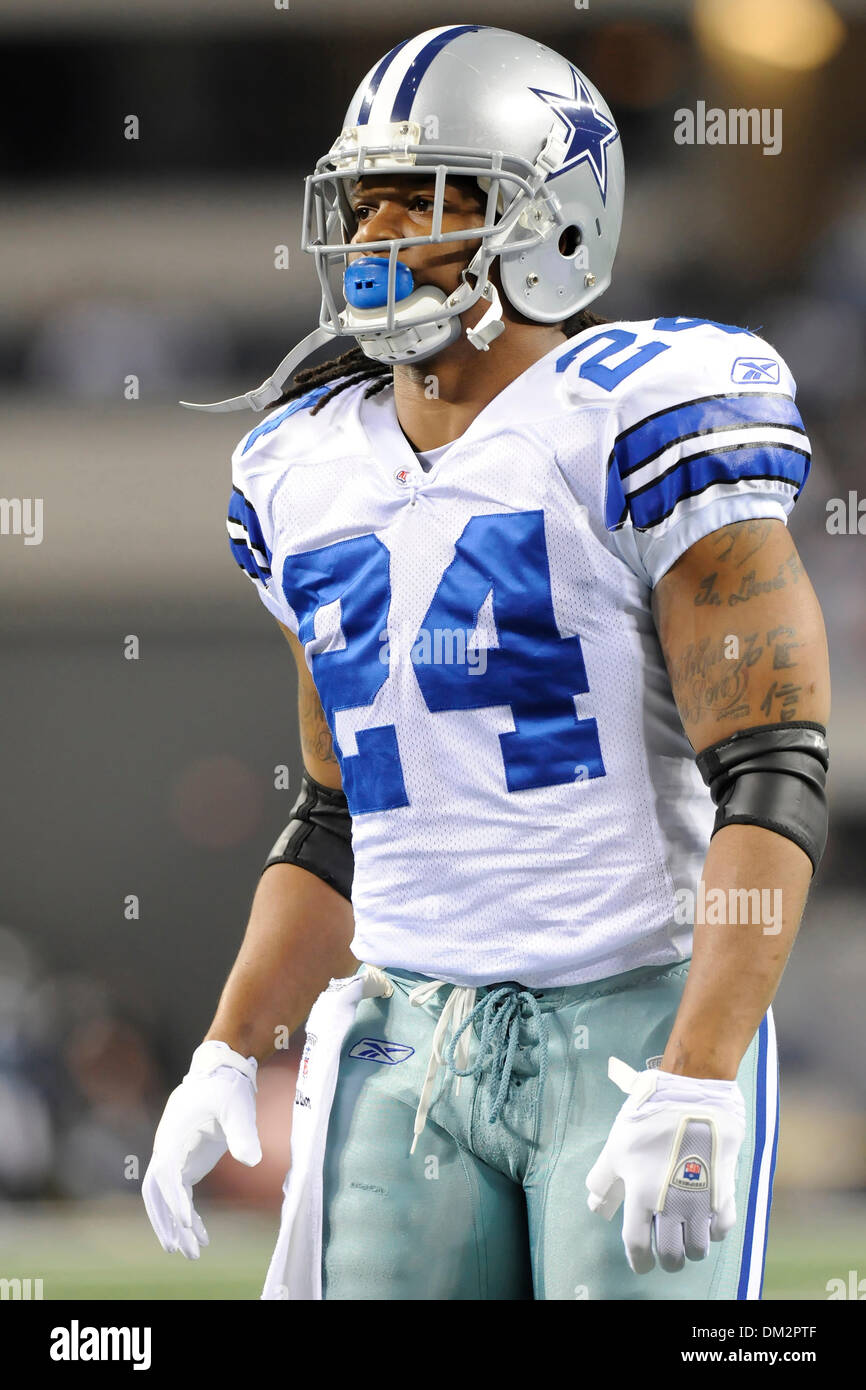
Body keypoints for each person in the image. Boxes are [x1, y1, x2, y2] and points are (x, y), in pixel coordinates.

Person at [143, 25, 830, 1300]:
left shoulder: (637, 412)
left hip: (629, 1020)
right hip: (404, 1043)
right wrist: (230, 1047)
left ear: (552, 221)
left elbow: (773, 774)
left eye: (434, 195)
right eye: (367, 196)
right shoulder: (301, 467)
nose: (381, 229)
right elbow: (333, 814)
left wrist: (699, 1064)